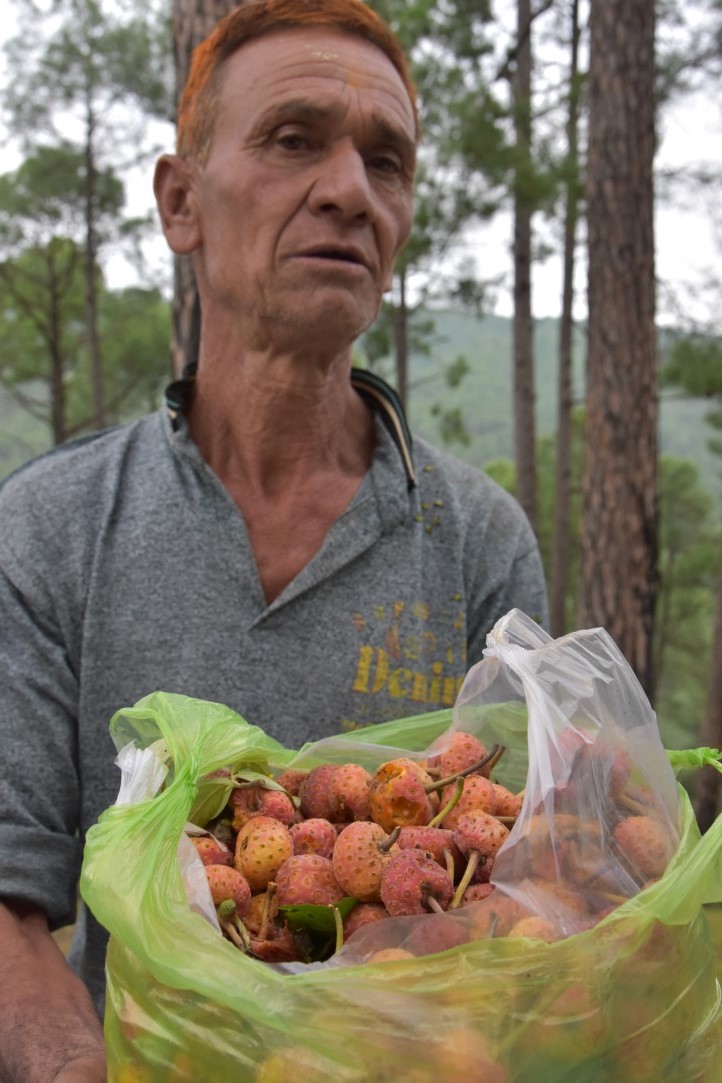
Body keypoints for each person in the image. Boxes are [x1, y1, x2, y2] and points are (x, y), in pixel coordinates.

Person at [0, 1, 548, 1078]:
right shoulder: (50, 529)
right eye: (293, 139)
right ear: (179, 203)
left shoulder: (475, 541)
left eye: (384, 162)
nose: (348, 189)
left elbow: (526, 899)